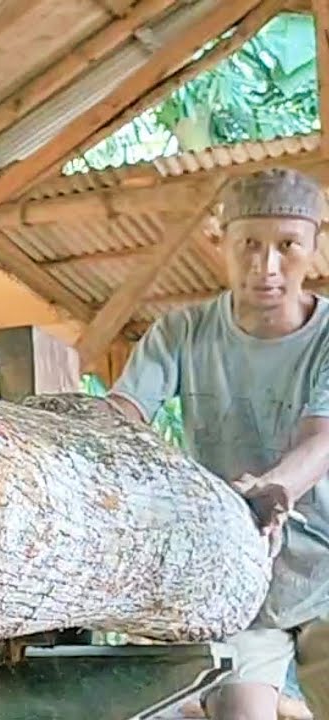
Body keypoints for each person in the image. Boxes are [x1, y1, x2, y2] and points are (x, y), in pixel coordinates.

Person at [104, 167, 329, 720]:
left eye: (287, 246)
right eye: (249, 244)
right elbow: (121, 416)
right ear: (220, 242)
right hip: (244, 579)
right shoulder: (180, 334)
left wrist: (275, 488)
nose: (267, 267)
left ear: (315, 246)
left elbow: (321, 438)